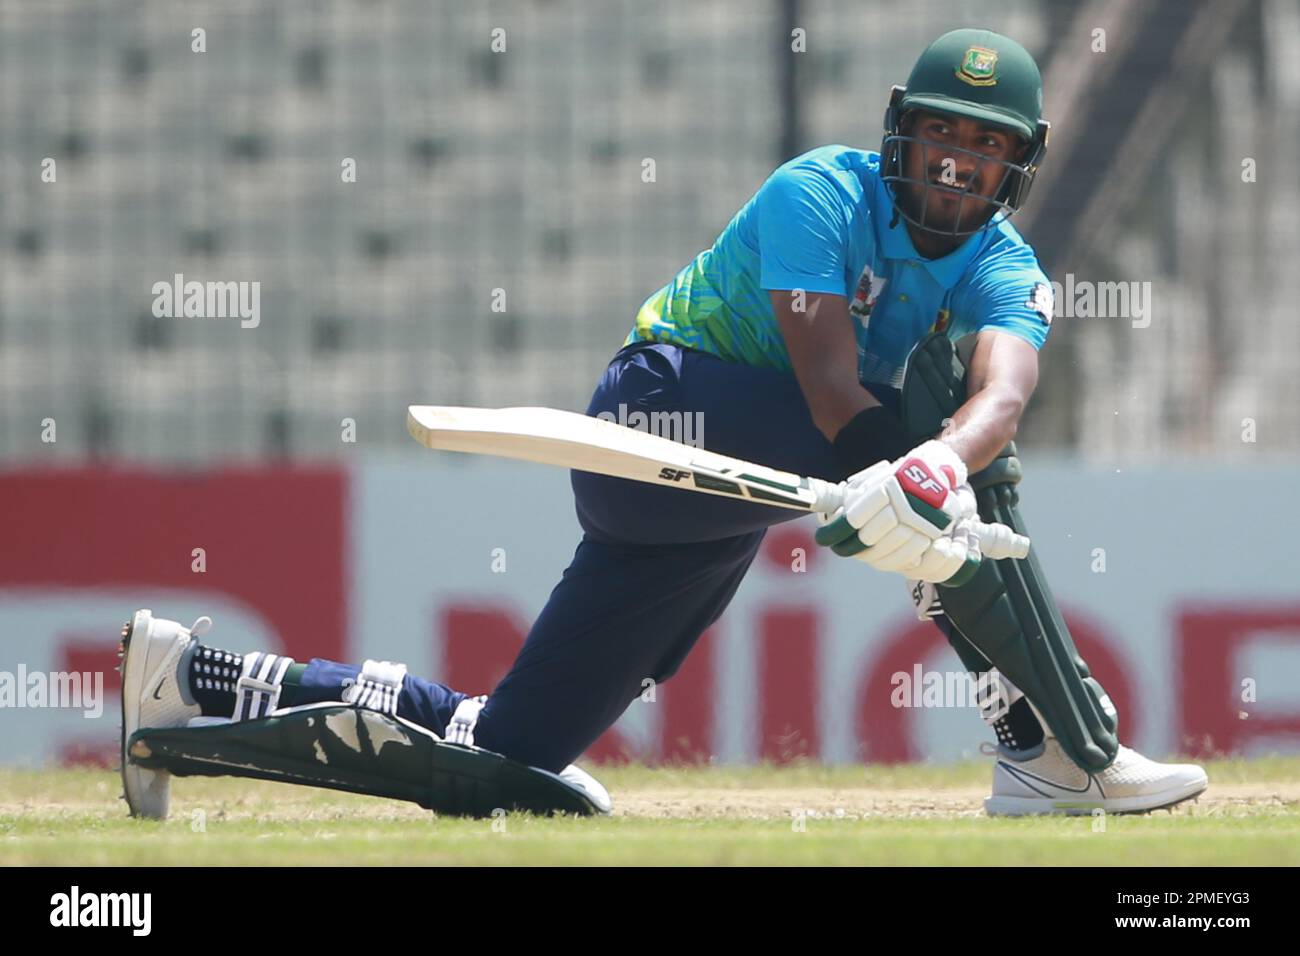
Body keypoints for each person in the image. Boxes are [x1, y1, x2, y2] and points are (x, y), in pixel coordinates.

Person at [121, 28, 1206, 817]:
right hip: (662, 416)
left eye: (982, 146)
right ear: (897, 135)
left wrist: (934, 470)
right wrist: (928, 483)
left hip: (722, 507)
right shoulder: (819, 192)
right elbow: (830, 388)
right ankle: (1053, 740)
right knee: (924, 439)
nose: (955, 163)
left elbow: (1003, 392)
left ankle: (184, 688)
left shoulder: (1005, 264)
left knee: (505, 753)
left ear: (1017, 165)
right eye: (937, 137)